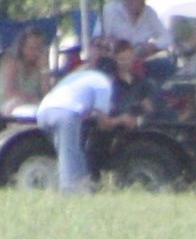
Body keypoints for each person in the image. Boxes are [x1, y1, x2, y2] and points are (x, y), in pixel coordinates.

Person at [34, 53, 137, 194]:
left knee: (73, 152)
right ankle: (70, 192)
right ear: (113, 74)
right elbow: (103, 123)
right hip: (66, 114)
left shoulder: (78, 76)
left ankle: (83, 187)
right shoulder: (103, 83)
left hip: (43, 112)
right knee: (69, 155)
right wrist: (122, 119)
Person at [100, 0, 173, 80]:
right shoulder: (110, 11)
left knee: (166, 65)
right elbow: (99, 38)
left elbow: (167, 37)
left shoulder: (149, 13)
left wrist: (152, 46)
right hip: (116, 62)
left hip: (139, 61)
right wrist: (114, 47)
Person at [0, 25, 52, 115]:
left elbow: (47, 94)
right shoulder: (11, 62)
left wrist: (44, 70)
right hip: (5, 102)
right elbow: (10, 92)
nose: (36, 52)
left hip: (31, 103)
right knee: (23, 111)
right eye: (32, 48)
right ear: (22, 47)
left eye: (39, 48)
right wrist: (33, 100)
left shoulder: (40, 66)